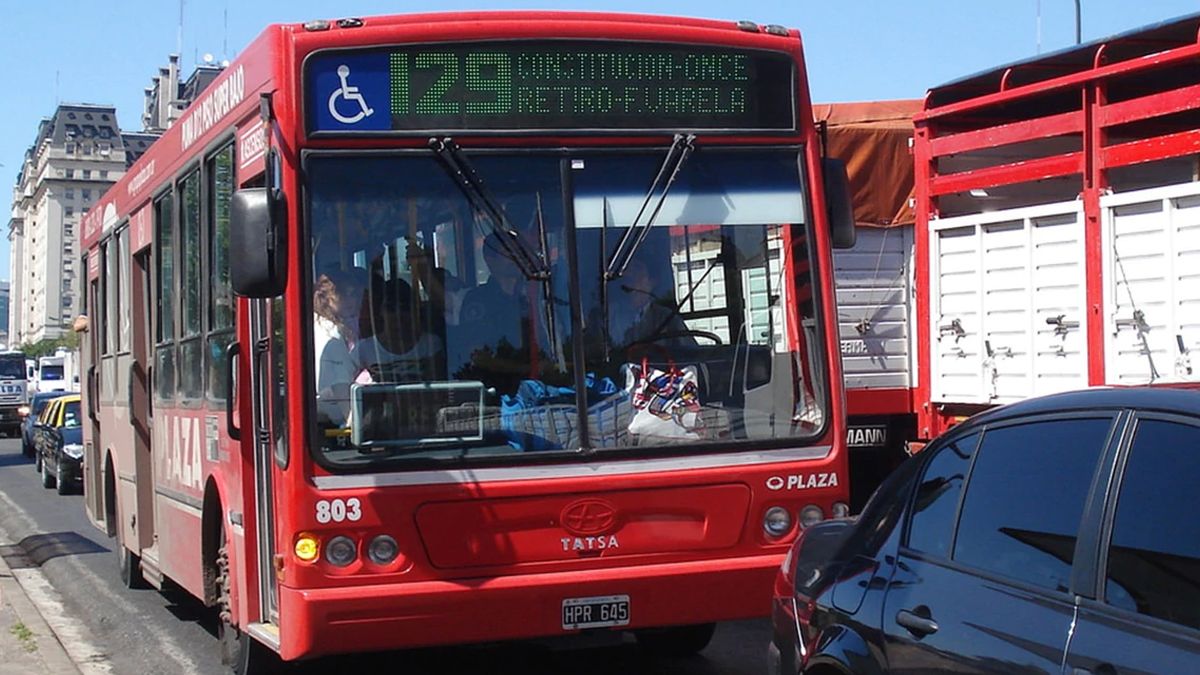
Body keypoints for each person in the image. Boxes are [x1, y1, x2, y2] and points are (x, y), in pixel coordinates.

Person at [313, 268, 367, 427]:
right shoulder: (332, 337)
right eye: (344, 294)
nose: (353, 300)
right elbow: (341, 391)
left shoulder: (316, 324)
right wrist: (355, 424)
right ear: (326, 297)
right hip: (333, 419)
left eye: (355, 294)